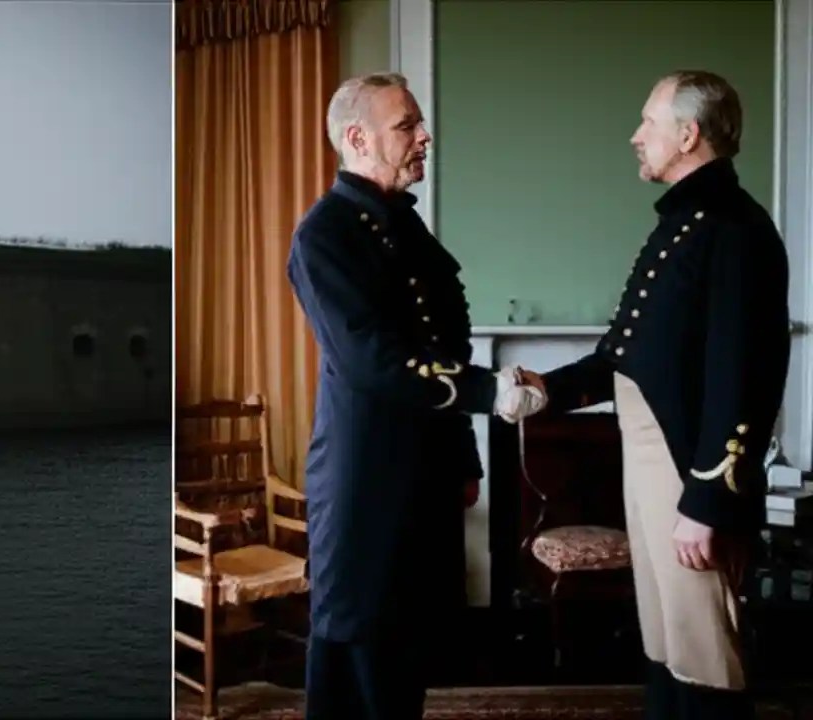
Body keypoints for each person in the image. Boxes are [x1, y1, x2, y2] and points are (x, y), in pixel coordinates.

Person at [510, 70, 790, 719]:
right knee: (666, 644)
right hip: (650, 461)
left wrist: (708, 503)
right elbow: (627, 356)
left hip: (688, 472)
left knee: (704, 654)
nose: (636, 136)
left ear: (688, 135)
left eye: (648, 122)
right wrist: (546, 389)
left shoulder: (734, 228)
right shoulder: (683, 223)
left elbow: (744, 378)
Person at [286, 71, 544, 720]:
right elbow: (371, 357)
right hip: (366, 481)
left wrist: (464, 459)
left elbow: (442, 342)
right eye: (407, 125)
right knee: (358, 657)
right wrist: (487, 392)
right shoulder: (325, 233)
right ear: (357, 139)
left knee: (405, 660)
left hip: (424, 474)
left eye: (419, 123)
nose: (425, 136)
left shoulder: (403, 224)